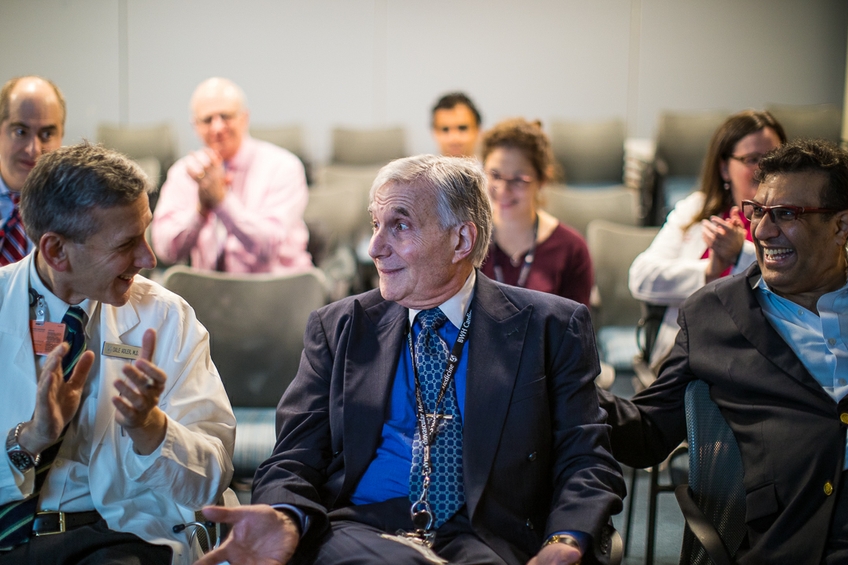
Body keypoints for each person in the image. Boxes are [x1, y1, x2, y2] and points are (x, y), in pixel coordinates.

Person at [196, 155, 624, 565]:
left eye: (399, 226)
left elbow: (585, 458)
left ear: (461, 240)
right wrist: (286, 515)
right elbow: (295, 455)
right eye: (375, 225)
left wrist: (566, 539)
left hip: (487, 535)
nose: (375, 248)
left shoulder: (550, 327)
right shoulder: (340, 327)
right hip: (359, 531)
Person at [600, 139, 848, 564]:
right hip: (793, 540)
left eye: (786, 214)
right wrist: (563, 380)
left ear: (841, 225)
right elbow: (647, 434)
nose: (763, 231)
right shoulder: (715, 313)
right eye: (758, 211)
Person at [0, 143, 235, 564]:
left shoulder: (166, 318)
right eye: (127, 243)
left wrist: (151, 429)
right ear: (56, 251)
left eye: (146, 232)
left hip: (112, 537)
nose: (149, 257)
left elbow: (209, 482)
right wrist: (30, 440)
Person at [629, 110, 785, 372]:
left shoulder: (794, 220)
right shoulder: (695, 210)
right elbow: (641, 277)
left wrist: (741, 254)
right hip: (688, 356)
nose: (765, 168)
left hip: (761, 361)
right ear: (724, 168)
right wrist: (709, 272)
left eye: (773, 158)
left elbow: (794, 291)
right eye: (752, 159)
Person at [152, 77, 312, 273]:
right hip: (209, 288)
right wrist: (200, 212)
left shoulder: (284, 167)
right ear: (195, 126)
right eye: (207, 120)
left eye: (225, 116)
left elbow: (268, 247)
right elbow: (166, 251)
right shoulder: (183, 173)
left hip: (275, 286)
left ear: (244, 118)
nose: (217, 128)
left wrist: (222, 202)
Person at [480, 118, 593, 307]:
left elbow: (576, 322)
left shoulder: (571, 248)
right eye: (495, 175)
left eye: (518, 179)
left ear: (542, 180)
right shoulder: (467, 240)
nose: (503, 190)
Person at [0, 76, 65, 266]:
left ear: (61, 136)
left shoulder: (82, 209)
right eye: (20, 132)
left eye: (47, 134)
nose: (33, 150)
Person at [431, 92, 482, 158]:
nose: (454, 139)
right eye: (445, 129)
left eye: (462, 128)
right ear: (434, 132)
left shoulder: (491, 164)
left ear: (478, 130)